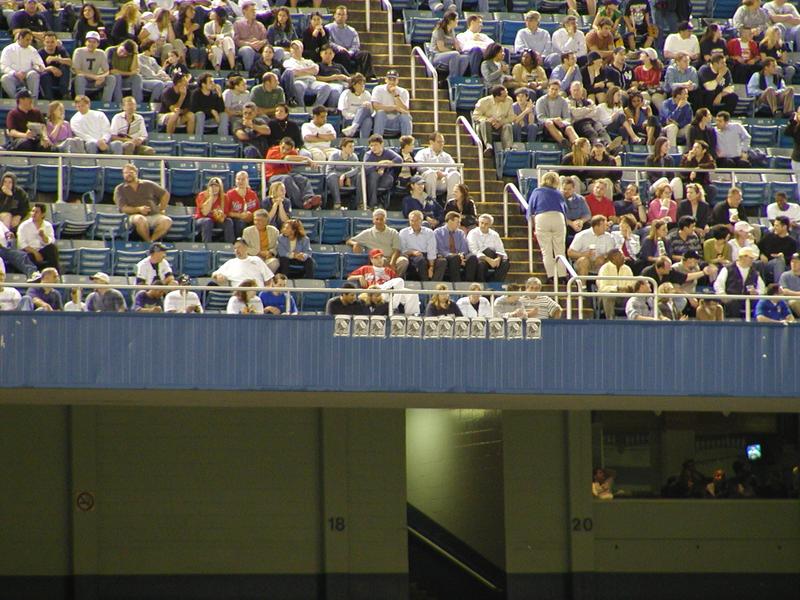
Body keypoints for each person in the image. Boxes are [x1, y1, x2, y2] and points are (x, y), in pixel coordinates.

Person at [113, 163, 172, 242]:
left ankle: (152, 240)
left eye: (131, 172)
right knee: (140, 219)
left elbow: (165, 194)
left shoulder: (148, 184)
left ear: (136, 173)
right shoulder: (120, 189)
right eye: (126, 173)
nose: (128, 175)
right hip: (133, 216)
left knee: (167, 221)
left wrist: (162, 209)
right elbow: (123, 208)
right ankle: (147, 241)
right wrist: (139, 209)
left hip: (153, 215)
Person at [527, 171, 567, 282]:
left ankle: (551, 276)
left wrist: (533, 225)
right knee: (560, 250)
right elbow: (565, 210)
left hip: (542, 217)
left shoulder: (537, 191)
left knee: (546, 251)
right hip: (558, 217)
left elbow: (530, 210)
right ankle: (562, 276)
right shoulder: (559, 193)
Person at [347, 208, 408, 277]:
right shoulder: (367, 233)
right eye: (377, 219)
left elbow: (397, 250)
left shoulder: (393, 232)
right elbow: (349, 240)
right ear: (373, 220)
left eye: (381, 219)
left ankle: (396, 279)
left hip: (392, 258)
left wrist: (392, 263)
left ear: (385, 220)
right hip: (378, 259)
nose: (379, 221)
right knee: (382, 260)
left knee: (403, 261)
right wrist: (355, 244)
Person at [264, 137, 321, 210]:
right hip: (272, 177)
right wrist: (307, 159)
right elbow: (287, 158)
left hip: (286, 173)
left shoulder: (293, 152)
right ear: (280, 144)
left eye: (287, 149)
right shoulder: (272, 151)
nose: (284, 151)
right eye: (283, 148)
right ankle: (301, 204)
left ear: (292, 149)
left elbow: (295, 157)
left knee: (302, 179)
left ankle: (309, 198)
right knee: (287, 179)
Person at [325, 5, 375, 80]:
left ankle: (369, 77)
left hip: (350, 52)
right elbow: (328, 42)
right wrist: (339, 48)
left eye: (343, 14)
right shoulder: (328, 28)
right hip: (337, 52)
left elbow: (356, 45)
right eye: (339, 14)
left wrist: (350, 52)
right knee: (342, 53)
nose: (341, 17)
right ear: (334, 16)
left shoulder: (352, 30)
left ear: (346, 16)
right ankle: (348, 76)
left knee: (366, 54)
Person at [714, 246, 766, 317]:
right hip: (731, 301)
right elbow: (719, 284)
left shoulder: (754, 273)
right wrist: (722, 294)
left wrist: (756, 293)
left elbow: (762, 288)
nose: (752, 260)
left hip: (748, 301)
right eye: (750, 258)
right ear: (743, 257)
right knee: (733, 304)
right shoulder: (728, 269)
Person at [414, 132, 461, 204]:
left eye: (442, 142)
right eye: (439, 142)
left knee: (455, 174)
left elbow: (452, 167)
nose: (441, 144)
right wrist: (435, 172)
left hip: (442, 179)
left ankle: (451, 203)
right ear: (431, 142)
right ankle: (432, 201)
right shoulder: (422, 153)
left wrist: (444, 174)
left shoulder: (446, 156)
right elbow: (419, 165)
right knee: (431, 173)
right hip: (427, 179)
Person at [72, 30, 116, 102]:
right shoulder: (79, 51)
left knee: (111, 78)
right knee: (80, 77)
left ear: (98, 44)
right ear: (85, 42)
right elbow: (77, 70)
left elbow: (107, 71)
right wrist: (94, 77)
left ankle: (105, 103)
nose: (91, 44)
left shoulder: (101, 53)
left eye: (94, 42)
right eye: (89, 41)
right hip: (83, 80)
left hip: (95, 81)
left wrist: (101, 77)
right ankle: (80, 102)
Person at [433, 211, 478, 283]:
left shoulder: (460, 233)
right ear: (450, 221)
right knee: (455, 258)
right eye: (458, 222)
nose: (459, 224)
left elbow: (464, 248)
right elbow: (440, 249)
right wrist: (455, 256)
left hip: (459, 256)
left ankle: (468, 284)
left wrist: (461, 256)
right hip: (446, 256)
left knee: (472, 257)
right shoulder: (438, 232)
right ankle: (457, 284)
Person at [0, 28, 44, 100]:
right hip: (14, 76)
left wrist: (37, 67)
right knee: (4, 79)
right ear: (20, 38)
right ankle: (17, 100)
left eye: (30, 40)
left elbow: (39, 64)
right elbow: (3, 66)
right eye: (27, 40)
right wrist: (15, 73)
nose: (29, 42)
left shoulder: (32, 50)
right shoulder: (8, 49)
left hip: (27, 76)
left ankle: (33, 100)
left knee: (33, 74)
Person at [361, 134, 402, 209]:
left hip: (384, 178)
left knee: (389, 179)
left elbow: (399, 159)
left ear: (382, 144)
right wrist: (378, 166)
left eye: (376, 145)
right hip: (370, 179)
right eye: (371, 145)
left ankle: (380, 200)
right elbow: (366, 169)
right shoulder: (368, 154)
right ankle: (373, 204)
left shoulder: (388, 152)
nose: (373, 148)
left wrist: (389, 163)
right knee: (374, 175)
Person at [472, 85, 514, 157]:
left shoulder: (509, 100)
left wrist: (501, 123)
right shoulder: (483, 101)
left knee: (508, 126)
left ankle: (508, 149)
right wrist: (488, 120)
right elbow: (475, 116)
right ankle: (489, 146)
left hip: (501, 124)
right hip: (487, 124)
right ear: (497, 97)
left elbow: (511, 117)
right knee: (485, 123)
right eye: (504, 96)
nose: (506, 97)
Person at [467, 214, 509, 283]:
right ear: (478, 223)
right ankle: (483, 285)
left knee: (505, 263)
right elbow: (473, 250)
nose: (483, 226)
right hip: (479, 257)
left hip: (492, 256)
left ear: (490, 225)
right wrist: (489, 260)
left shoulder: (494, 234)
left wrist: (498, 259)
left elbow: (500, 249)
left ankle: (495, 284)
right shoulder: (472, 233)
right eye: (482, 223)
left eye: (486, 224)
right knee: (481, 264)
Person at [16, 203, 58, 271]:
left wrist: (43, 236)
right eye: (33, 211)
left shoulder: (48, 225)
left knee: (52, 249)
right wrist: (35, 253)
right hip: (29, 251)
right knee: (28, 257)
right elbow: (22, 244)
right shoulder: (24, 226)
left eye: (37, 212)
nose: (33, 214)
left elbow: (51, 241)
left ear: (43, 214)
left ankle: (54, 274)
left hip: (42, 250)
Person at [535, 80, 577, 147]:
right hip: (546, 127)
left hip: (560, 124)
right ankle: (564, 143)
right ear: (548, 89)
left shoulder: (563, 101)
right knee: (549, 123)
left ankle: (578, 146)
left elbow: (568, 118)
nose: (554, 91)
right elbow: (540, 118)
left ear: (559, 90)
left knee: (569, 128)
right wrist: (553, 120)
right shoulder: (541, 101)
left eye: (556, 89)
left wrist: (562, 122)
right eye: (552, 89)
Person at [371, 70, 412, 137]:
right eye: (390, 79)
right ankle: (377, 140)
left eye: (394, 79)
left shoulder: (403, 91)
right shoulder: (378, 89)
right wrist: (394, 107)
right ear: (386, 80)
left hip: (396, 121)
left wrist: (395, 95)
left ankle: (406, 141)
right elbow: (376, 106)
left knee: (405, 116)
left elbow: (405, 110)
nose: (392, 82)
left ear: (397, 81)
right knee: (380, 113)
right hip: (381, 120)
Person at [399, 210, 437, 282]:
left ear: (421, 221)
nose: (414, 223)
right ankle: (425, 283)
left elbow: (431, 251)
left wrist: (431, 267)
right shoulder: (403, 232)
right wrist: (412, 252)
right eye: (412, 221)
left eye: (416, 220)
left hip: (426, 255)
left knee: (442, 262)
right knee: (420, 260)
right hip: (411, 256)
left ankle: (433, 284)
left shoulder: (429, 232)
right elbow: (402, 250)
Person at [5, 88, 47, 152]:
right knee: (26, 144)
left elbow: (43, 126)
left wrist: (45, 137)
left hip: (36, 139)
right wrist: (25, 135)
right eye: (29, 99)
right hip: (20, 140)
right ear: (21, 100)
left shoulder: (37, 112)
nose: (31, 101)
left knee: (45, 145)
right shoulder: (13, 114)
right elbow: (11, 131)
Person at [194, 177, 234, 244]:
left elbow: (224, 216)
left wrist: (220, 216)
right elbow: (205, 213)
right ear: (209, 187)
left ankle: (230, 246)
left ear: (220, 187)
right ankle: (207, 246)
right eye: (212, 186)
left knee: (228, 222)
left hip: (217, 221)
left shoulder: (225, 197)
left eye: (216, 186)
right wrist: (211, 197)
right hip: (202, 220)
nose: (214, 188)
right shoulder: (202, 195)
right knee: (208, 221)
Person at [759, 216, 797, 283]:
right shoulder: (768, 236)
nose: (774, 228)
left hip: (784, 266)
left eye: (777, 226)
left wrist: (783, 257)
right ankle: (779, 287)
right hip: (767, 265)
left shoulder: (792, 242)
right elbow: (757, 248)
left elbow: (794, 258)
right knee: (778, 261)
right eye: (774, 225)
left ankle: (778, 287)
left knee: (779, 261)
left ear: (784, 227)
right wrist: (761, 254)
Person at [597, 248, 634, 319]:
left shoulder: (627, 269)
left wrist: (628, 289)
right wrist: (618, 288)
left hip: (624, 296)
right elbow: (602, 288)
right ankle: (610, 320)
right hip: (607, 296)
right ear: (614, 257)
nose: (624, 257)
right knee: (608, 296)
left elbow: (630, 285)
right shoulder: (605, 268)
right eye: (621, 256)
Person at [233, 0, 267, 73]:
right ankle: (249, 73)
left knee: (278, 50)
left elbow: (265, 39)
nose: (254, 12)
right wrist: (249, 44)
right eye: (252, 10)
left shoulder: (260, 25)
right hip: (243, 50)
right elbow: (236, 41)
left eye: (255, 10)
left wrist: (260, 43)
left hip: (258, 51)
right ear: (244, 11)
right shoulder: (237, 24)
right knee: (247, 50)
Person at [38, 31, 72, 101]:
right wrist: (50, 68)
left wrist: (57, 59)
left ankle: (65, 94)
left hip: (61, 76)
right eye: (47, 42)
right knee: (44, 74)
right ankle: (49, 99)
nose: (50, 44)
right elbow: (38, 68)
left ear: (56, 42)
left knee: (65, 67)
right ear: (44, 42)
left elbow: (70, 62)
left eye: (52, 42)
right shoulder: (40, 53)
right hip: (47, 76)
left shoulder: (61, 50)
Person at [339, 73, 373, 139]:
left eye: (363, 84)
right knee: (366, 117)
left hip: (363, 119)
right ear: (354, 85)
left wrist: (370, 106)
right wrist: (356, 117)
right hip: (350, 119)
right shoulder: (346, 93)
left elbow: (372, 112)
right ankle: (356, 130)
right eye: (360, 84)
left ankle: (354, 130)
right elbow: (344, 112)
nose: (362, 86)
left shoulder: (367, 94)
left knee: (367, 117)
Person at [226, 170, 259, 238]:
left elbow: (258, 210)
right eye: (238, 179)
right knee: (240, 222)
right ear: (235, 180)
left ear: (247, 180)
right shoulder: (230, 194)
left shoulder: (252, 194)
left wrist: (251, 216)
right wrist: (240, 215)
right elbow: (226, 212)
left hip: (251, 218)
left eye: (243, 179)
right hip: (236, 219)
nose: (240, 181)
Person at [204, 6, 236, 71]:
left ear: (218, 14)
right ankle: (218, 72)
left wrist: (216, 36)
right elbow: (208, 38)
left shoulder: (227, 24)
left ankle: (233, 68)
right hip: (214, 47)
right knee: (215, 48)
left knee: (227, 39)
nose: (210, 13)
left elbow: (230, 35)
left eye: (213, 12)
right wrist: (216, 41)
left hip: (226, 48)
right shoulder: (208, 25)